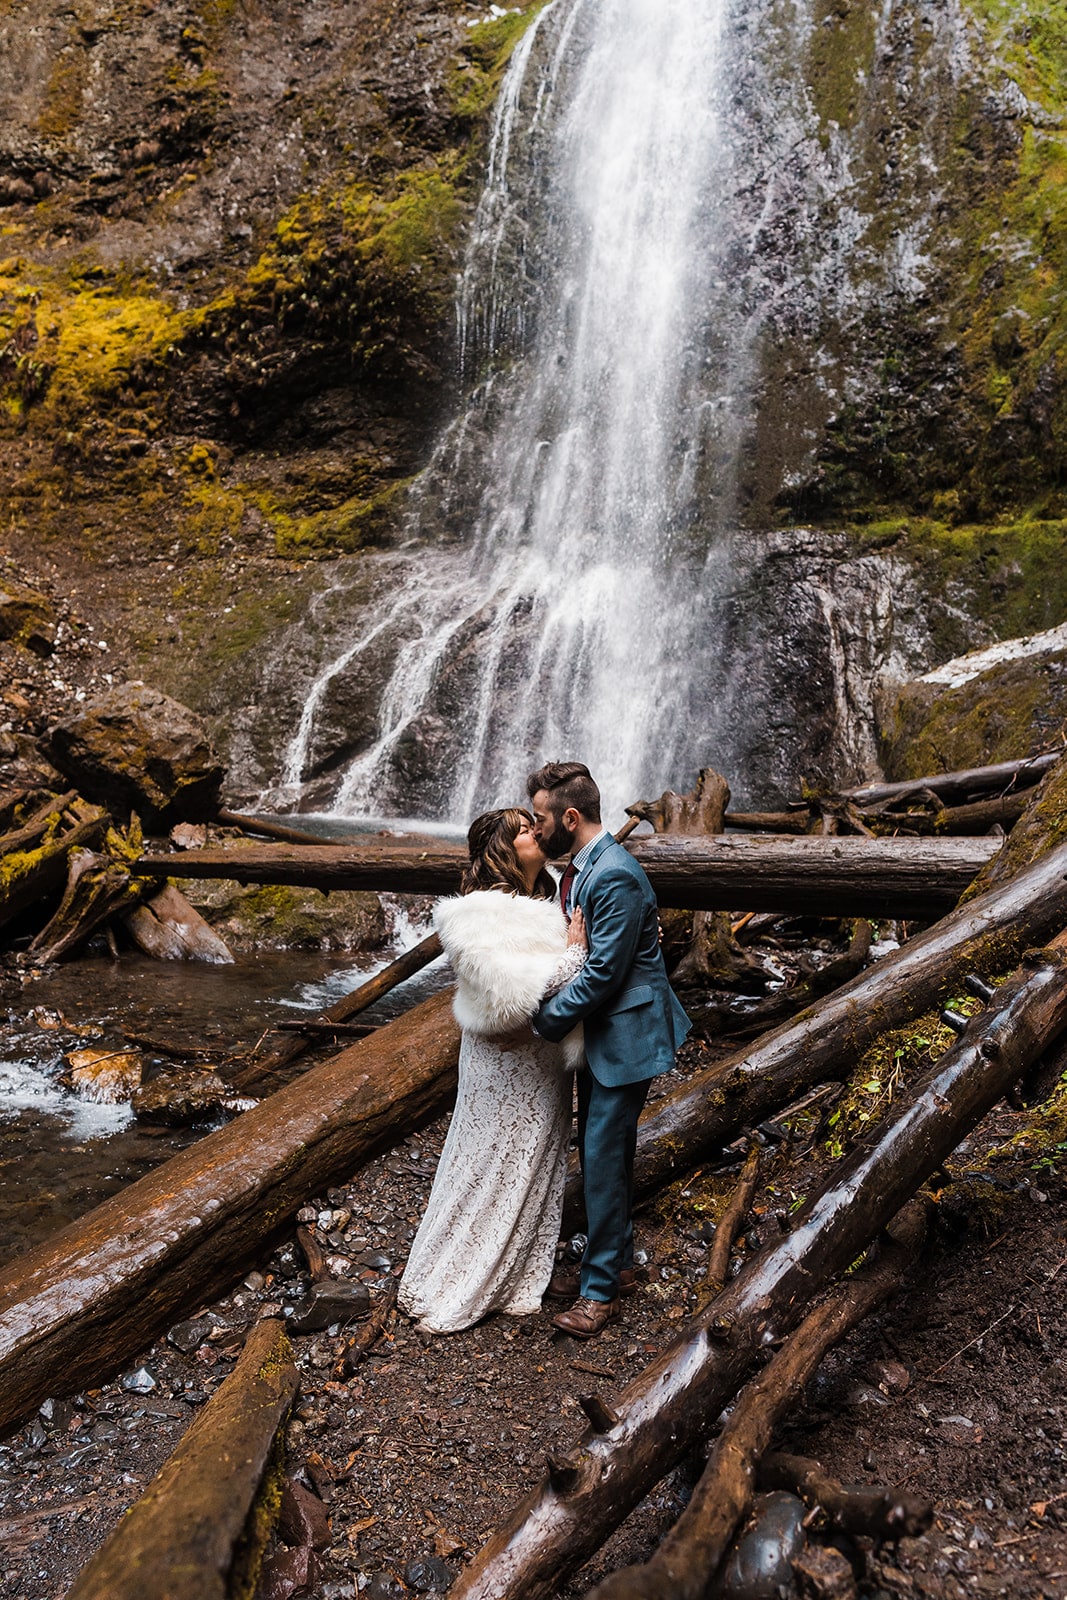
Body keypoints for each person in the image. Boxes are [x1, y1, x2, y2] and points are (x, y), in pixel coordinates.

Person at [398, 807, 588, 1334]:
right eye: (525, 830)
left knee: (538, 1158)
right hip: (502, 1060)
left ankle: (521, 1269)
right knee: (489, 1158)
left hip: (543, 1053)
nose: (537, 832)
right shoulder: (474, 912)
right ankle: (457, 1278)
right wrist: (574, 959)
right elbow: (507, 990)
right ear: (503, 848)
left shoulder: (550, 899)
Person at [528, 761, 691, 1340]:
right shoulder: (583, 868)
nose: (535, 826)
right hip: (603, 1034)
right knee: (609, 1151)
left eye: (541, 818)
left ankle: (599, 1292)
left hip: (626, 1033)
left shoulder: (613, 874)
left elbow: (602, 975)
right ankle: (616, 1264)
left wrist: (541, 1021)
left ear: (571, 817)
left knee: (599, 1154)